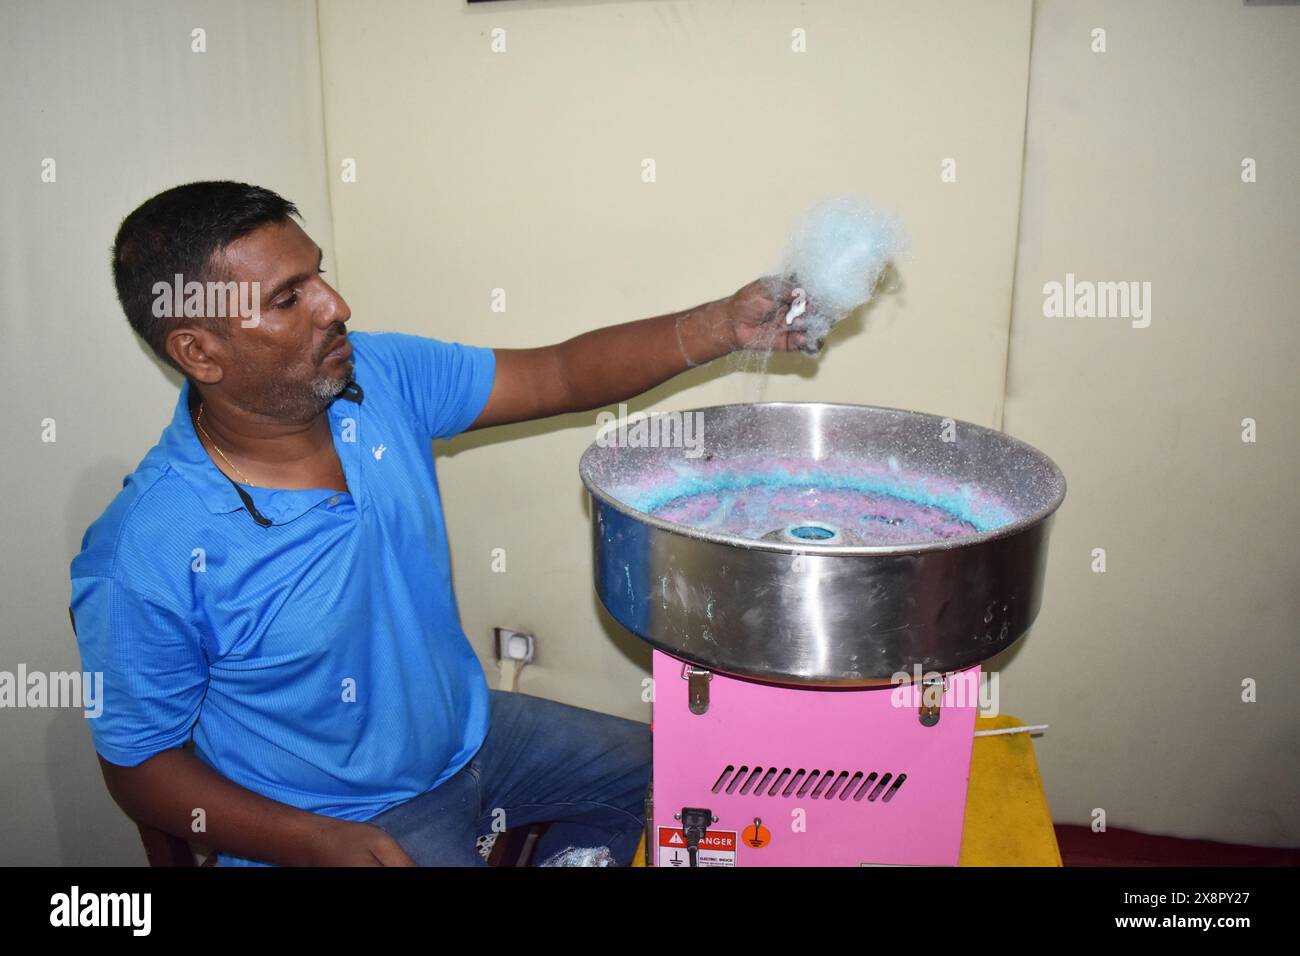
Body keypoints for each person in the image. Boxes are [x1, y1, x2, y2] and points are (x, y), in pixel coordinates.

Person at [69, 181, 810, 866]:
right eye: (289, 298)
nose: (335, 305)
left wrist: (724, 325)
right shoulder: (146, 549)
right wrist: (316, 840)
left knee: (688, 779)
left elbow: (560, 373)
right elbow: (138, 767)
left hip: (475, 732)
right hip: (344, 818)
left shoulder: (378, 378)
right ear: (199, 351)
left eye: (317, 274)